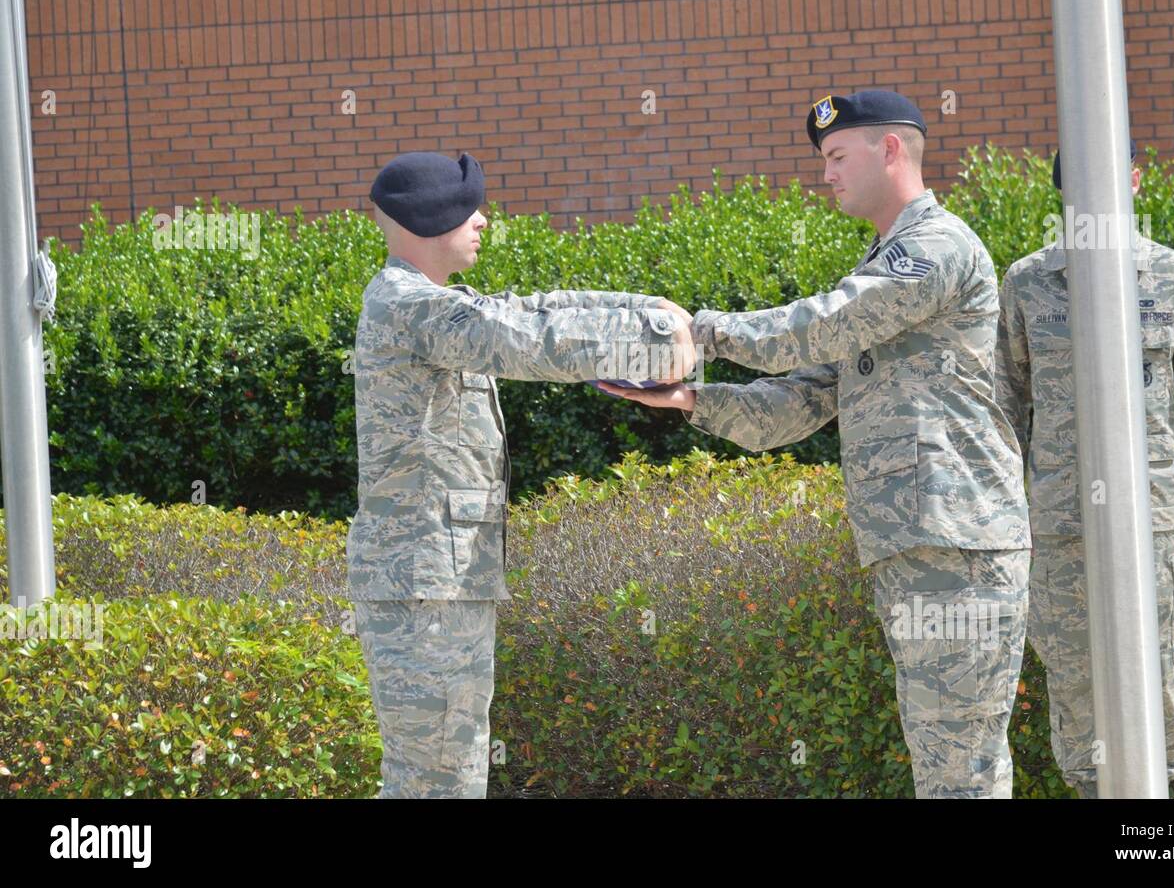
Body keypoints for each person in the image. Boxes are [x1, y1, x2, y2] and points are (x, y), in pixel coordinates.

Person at [600, 90, 1032, 798]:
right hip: (918, 545)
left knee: (963, 767)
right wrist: (691, 400)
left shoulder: (934, 250)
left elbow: (823, 326)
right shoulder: (884, 261)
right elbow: (801, 399)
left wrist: (700, 330)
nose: (824, 174)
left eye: (836, 156)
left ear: (889, 149)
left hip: (961, 546)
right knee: (944, 759)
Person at [349, 150, 694, 797]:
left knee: (449, 771)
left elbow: (532, 308)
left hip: (441, 581)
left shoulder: (428, 304)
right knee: (433, 780)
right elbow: (523, 338)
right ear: (430, 217)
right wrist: (646, 339)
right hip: (424, 585)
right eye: (468, 208)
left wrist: (650, 309)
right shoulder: (410, 308)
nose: (482, 220)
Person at [994, 145, 1174, 797]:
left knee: (1155, 684)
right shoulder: (1026, 283)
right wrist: (1005, 509)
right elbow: (1002, 403)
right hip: (1061, 528)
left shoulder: (1173, 277)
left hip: (1152, 524)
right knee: (1077, 689)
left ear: (1135, 180)